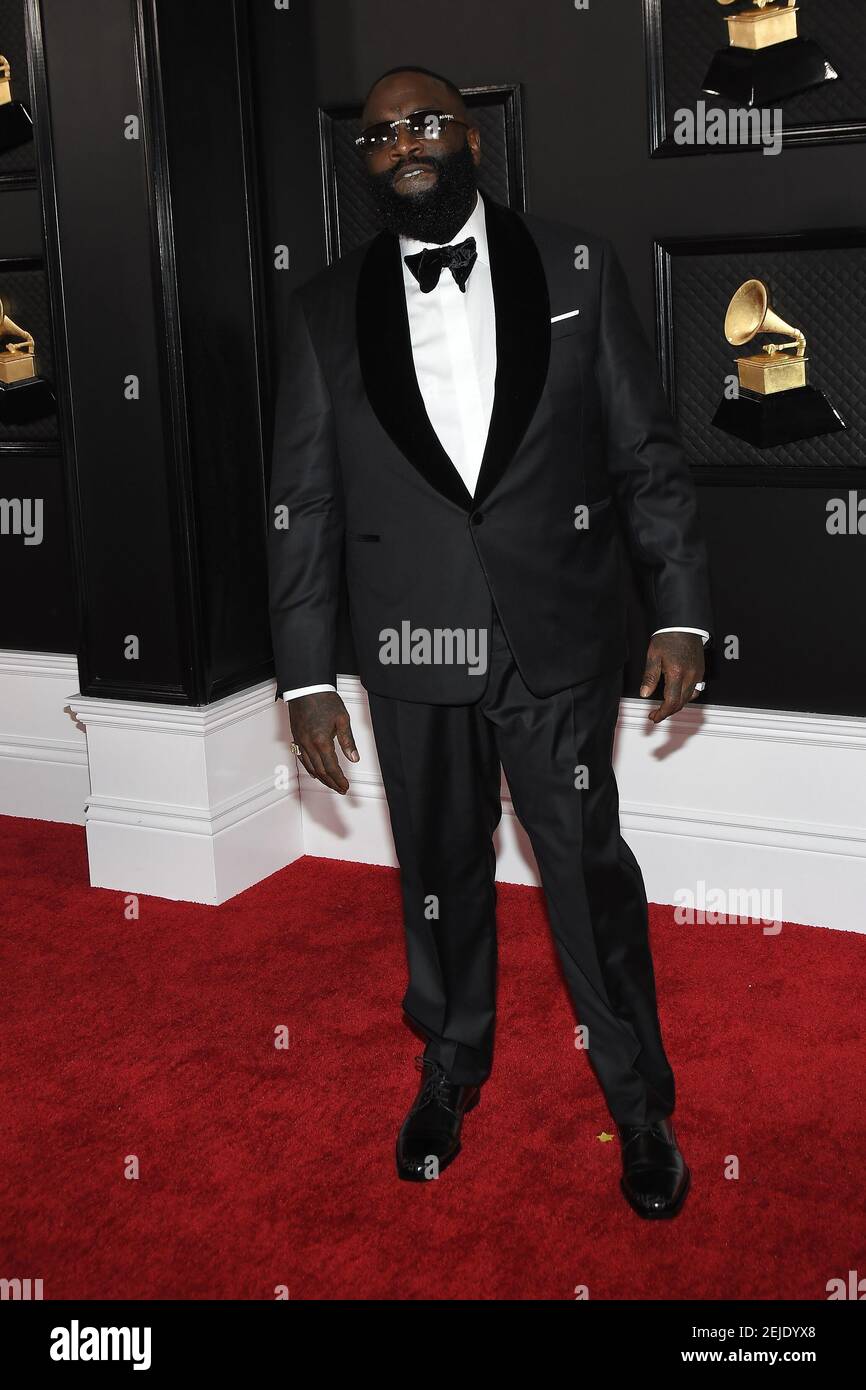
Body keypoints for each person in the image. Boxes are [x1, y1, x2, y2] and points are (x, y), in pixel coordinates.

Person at [267, 64, 713, 1218]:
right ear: (362, 165)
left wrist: (675, 607)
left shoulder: (572, 265)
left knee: (583, 873)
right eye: (376, 135)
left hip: (553, 632)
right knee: (437, 874)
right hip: (408, 650)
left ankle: (639, 1102)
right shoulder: (321, 309)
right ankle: (450, 1068)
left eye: (422, 122)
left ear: (468, 137)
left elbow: (643, 455)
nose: (402, 143)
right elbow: (303, 504)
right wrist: (306, 675)